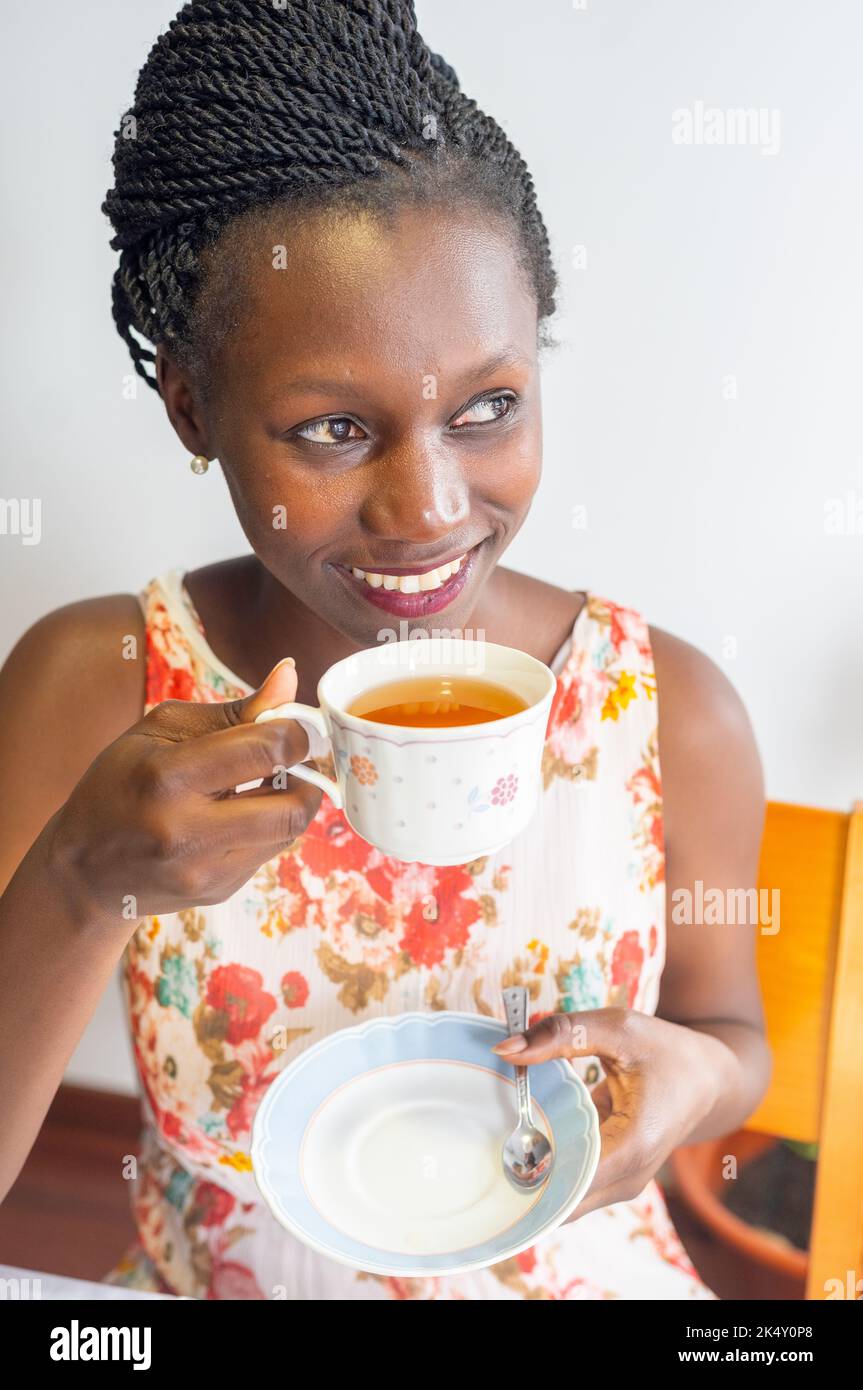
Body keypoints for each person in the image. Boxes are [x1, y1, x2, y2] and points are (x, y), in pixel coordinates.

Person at [0, 0, 770, 1300]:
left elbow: (730, 1031)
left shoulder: (669, 712)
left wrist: (699, 1081)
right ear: (192, 403)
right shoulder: (96, 690)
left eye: (488, 407)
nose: (427, 508)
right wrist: (83, 879)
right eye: (332, 430)